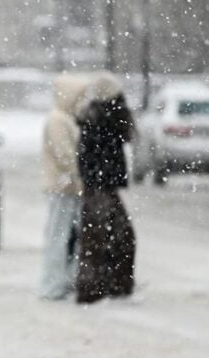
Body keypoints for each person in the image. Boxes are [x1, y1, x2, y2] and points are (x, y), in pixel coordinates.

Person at [75, 72, 137, 304]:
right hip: (100, 187)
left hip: (101, 186)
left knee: (107, 238)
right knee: (102, 239)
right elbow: (96, 155)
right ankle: (99, 288)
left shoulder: (101, 118)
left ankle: (104, 287)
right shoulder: (104, 118)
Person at [39, 73, 90, 300]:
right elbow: (65, 155)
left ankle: (65, 280)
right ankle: (53, 284)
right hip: (64, 187)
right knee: (59, 236)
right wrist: (79, 173)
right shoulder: (58, 120)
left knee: (69, 236)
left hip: (69, 186)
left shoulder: (65, 118)